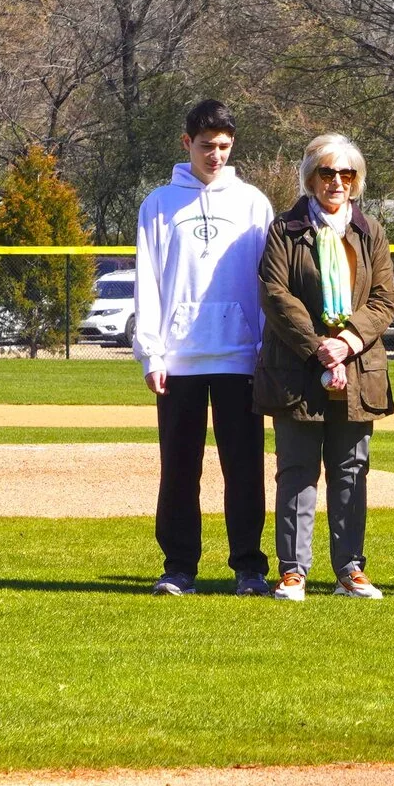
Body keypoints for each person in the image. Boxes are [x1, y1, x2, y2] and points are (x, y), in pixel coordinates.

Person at [135, 98, 275, 597]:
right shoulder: (158, 204)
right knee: (179, 469)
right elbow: (148, 282)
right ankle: (178, 567)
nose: (215, 155)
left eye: (223, 146)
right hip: (179, 359)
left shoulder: (254, 203)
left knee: (244, 468)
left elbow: (268, 282)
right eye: (205, 145)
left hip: (240, 358)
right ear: (185, 143)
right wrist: (151, 353)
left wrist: (264, 349)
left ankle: (249, 568)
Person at [256, 132, 394, 601]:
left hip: (358, 370)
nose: (336, 182)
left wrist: (349, 341)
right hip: (297, 369)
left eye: (346, 173)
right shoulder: (285, 229)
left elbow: (384, 299)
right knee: (296, 470)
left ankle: (350, 571)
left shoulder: (371, 230)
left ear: (356, 181)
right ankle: (293, 571)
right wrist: (320, 348)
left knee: (351, 470)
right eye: (327, 172)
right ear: (310, 176)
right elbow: (276, 295)